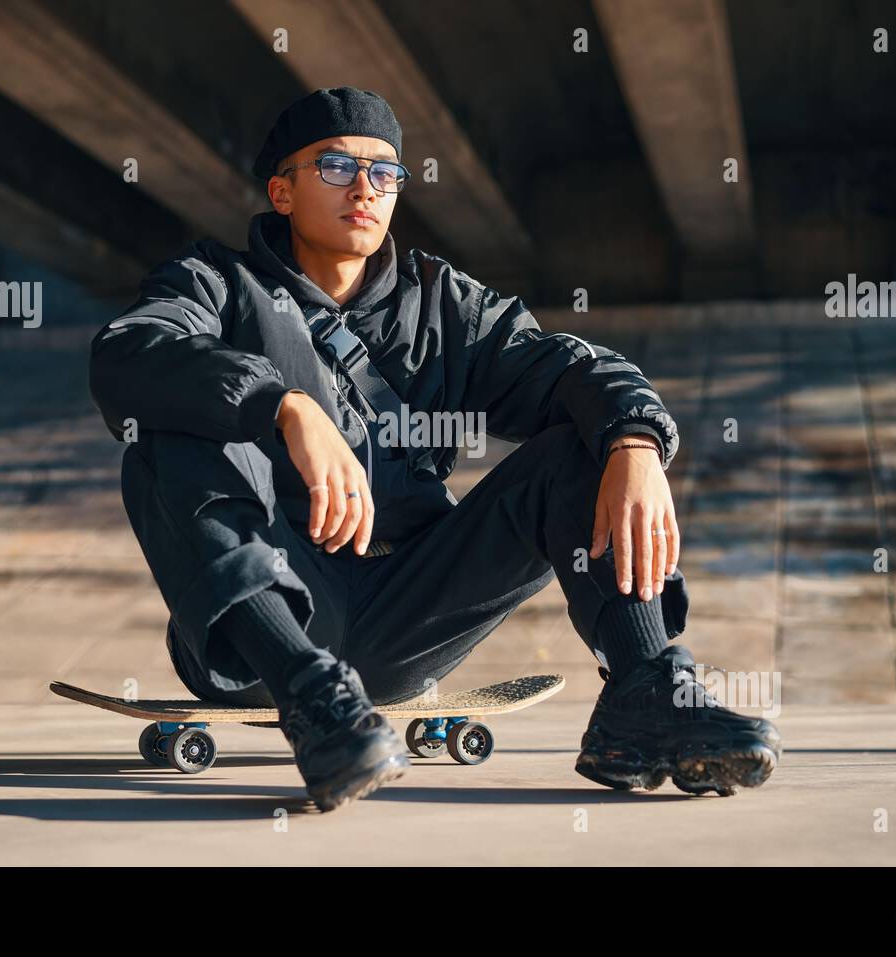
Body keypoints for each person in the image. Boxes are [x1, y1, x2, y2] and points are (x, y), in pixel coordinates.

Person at [88, 86, 781, 811]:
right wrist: (279, 403)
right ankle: (314, 705)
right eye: (335, 166)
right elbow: (128, 353)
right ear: (281, 191)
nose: (365, 187)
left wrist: (636, 439)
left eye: (385, 173)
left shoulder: (441, 303)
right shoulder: (215, 284)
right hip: (267, 622)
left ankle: (645, 692)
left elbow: (568, 366)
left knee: (589, 441)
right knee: (166, 427)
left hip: (410, 610)